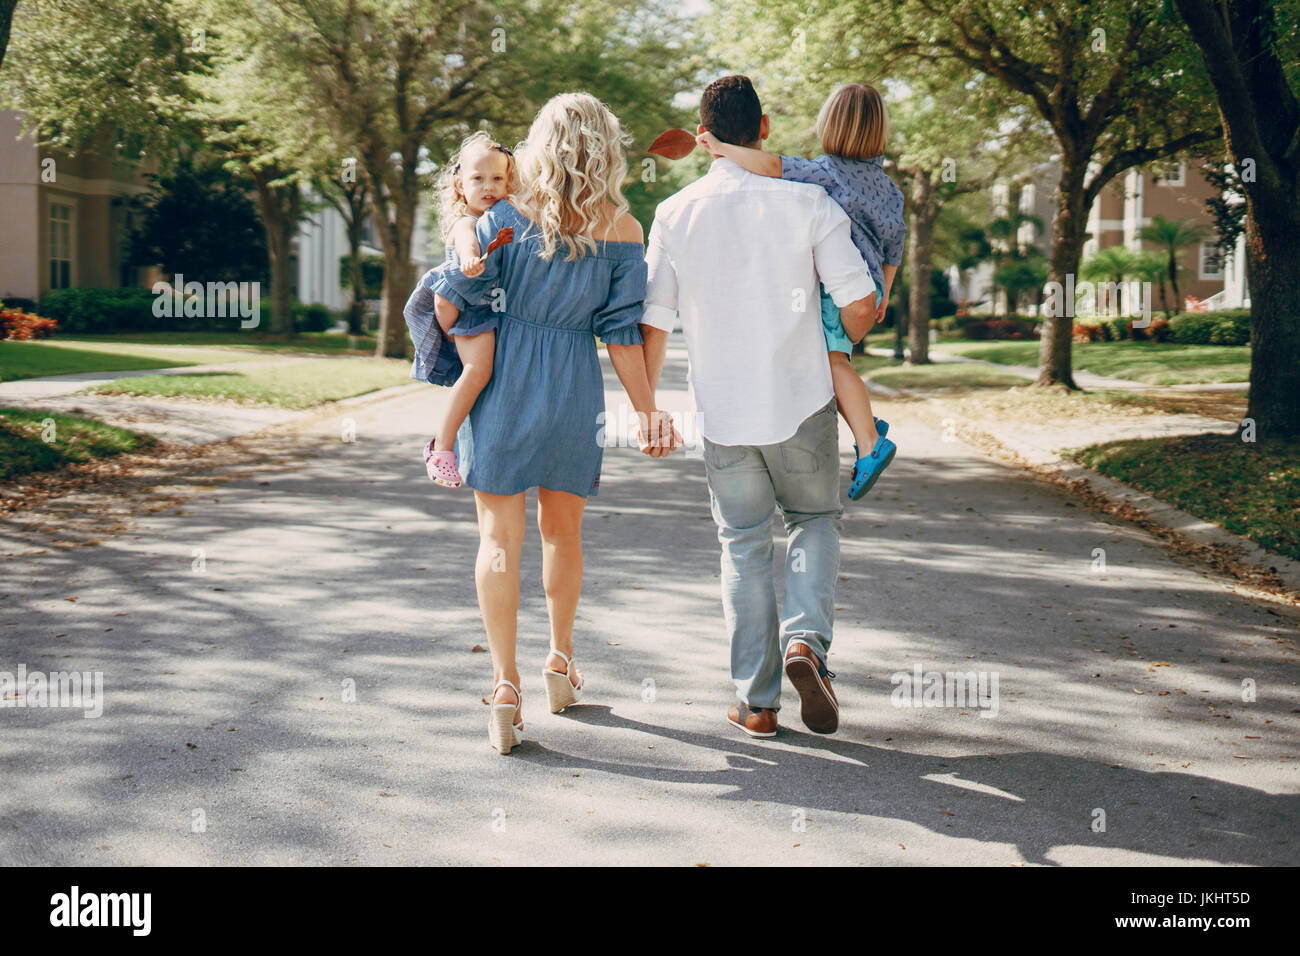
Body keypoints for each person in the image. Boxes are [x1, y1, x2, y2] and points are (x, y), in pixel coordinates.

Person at [432, 93, 679, 754]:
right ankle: (559, 661)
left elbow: (455, 296)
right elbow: (622, 336)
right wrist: (648, 410)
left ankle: (505, 685)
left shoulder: (504, 215)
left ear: (538, 145)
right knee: (562, 533)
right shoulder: (624, 229)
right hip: (574, 386)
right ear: (608, 147)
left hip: (505, 384)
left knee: (498, 536)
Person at [640, 75, 878, 738]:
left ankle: (757, 701)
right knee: (813, 521)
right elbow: (859, 302)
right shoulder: (808, 204)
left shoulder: (674, 213)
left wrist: (648, 407)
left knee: (742, 545)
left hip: (722, 411)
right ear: (765, 128)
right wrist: (844, 341)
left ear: (702, 133)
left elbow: (652, 320)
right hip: (802, 401)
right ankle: (808, 645)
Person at [696, 81, 905, 499]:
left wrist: (720, 149)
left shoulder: (824, 172)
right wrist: (884, 293)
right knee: (839, 357)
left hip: (841, 288)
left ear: (829, 125)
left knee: (832, 361)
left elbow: (771, 166)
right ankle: (864, 422)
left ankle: (869, 444)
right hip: (872, 288)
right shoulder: (890, 188)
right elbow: (896, 245)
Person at [404, 132, 517, 488]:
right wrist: (469, 258)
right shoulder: (465, 220)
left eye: (497, 179)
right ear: (459, 184)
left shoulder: (501, 217)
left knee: (485, 376)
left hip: (484, 308)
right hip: (469, 311)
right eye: (478, 179)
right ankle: (442, 446)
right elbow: (467, 238)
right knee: (477, 371)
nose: (489, 187)